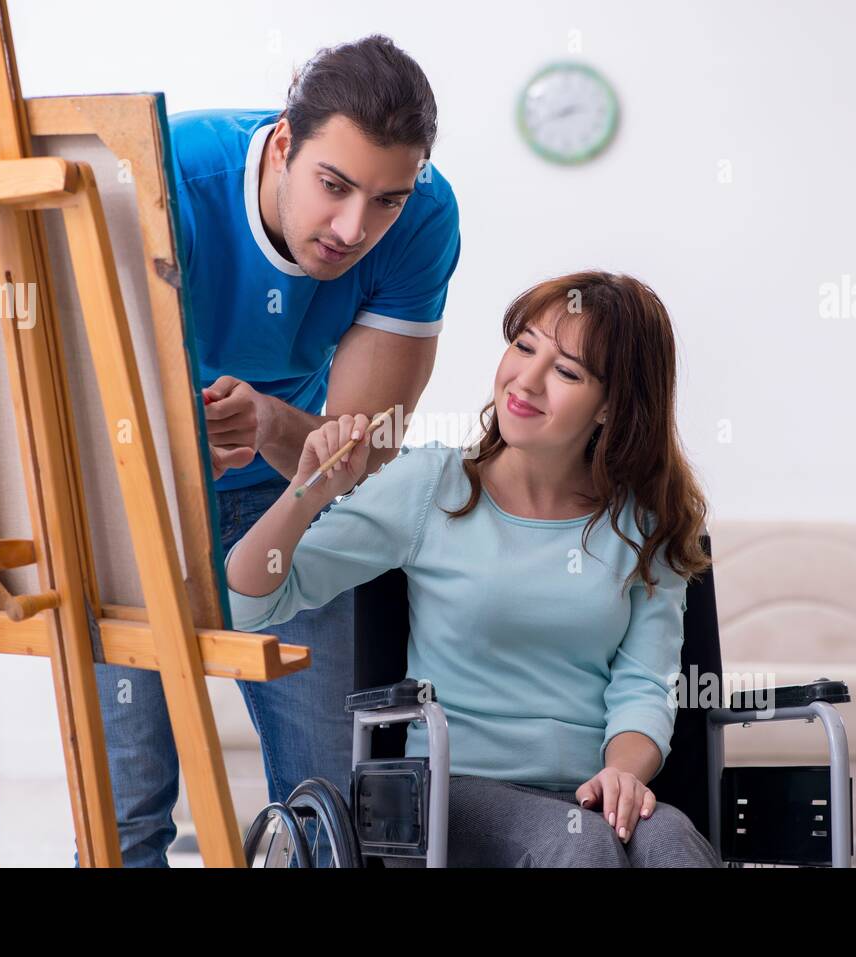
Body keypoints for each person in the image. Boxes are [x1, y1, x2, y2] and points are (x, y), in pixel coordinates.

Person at [89, 35, 461, 866]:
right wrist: (183, 429)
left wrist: (267, 425)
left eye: (385, 199)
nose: (353, 228)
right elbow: (79, 393)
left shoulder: (425, 218)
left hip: (290, 506)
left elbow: (364, 449)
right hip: (132, 494)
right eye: (334, 186)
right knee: (124, 813)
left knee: (330, 807)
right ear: (286, 144)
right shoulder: (168, 175)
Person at [225, 270, 722, 867]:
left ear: (612, 407)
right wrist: (306, 491)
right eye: (524, 346)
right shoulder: (430, 486)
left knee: (670, 841)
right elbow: (252, 602)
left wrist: (621, 773)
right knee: (580, 844)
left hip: (586, 792)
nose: (527, 381)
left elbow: (644, 685)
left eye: (566, 372)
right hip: (451, 793)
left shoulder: (647, 527)